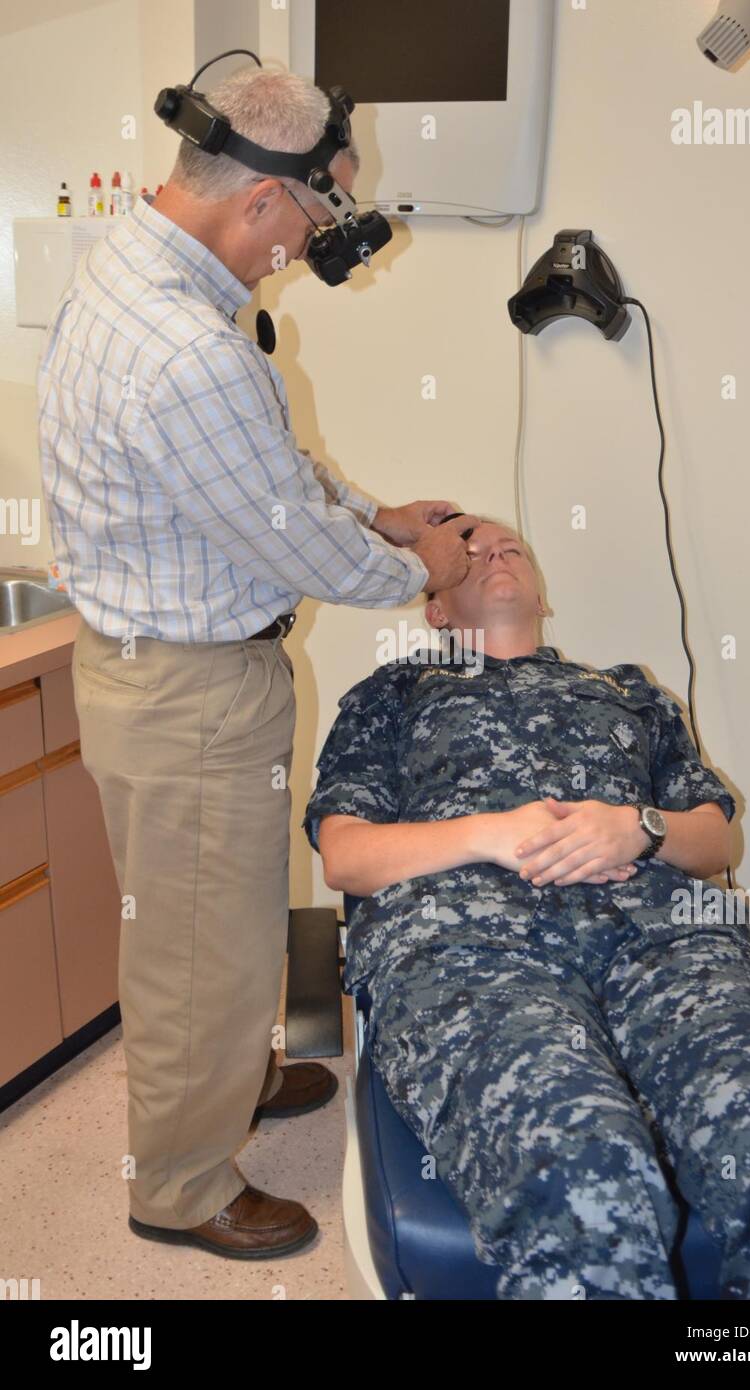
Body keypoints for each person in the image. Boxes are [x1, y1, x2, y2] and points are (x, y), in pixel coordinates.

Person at [36, 62, 478, 1259]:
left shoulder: (134, 265)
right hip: (187, 692)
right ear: (265, 202)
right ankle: (176, 1186)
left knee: (215, 925)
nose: (301, 251)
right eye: (311, 223)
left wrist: (385, 516)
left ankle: (230, 1079)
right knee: (196, 952)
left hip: (164, 671)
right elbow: (293, 539)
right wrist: (425, 571)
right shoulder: (188, 351)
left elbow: (262, 470)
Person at [304, 518, 750, 1299]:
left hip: (663, 941)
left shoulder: (628, 691)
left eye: (510, 547)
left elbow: (716, 842)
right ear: (434, 607)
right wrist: (490, 833)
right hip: (469, 948)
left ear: (540, 589)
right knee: (591, 1171)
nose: (494, 551)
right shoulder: (394, 693)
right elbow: (347, 855)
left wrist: (639, 826)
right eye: (467, 549)